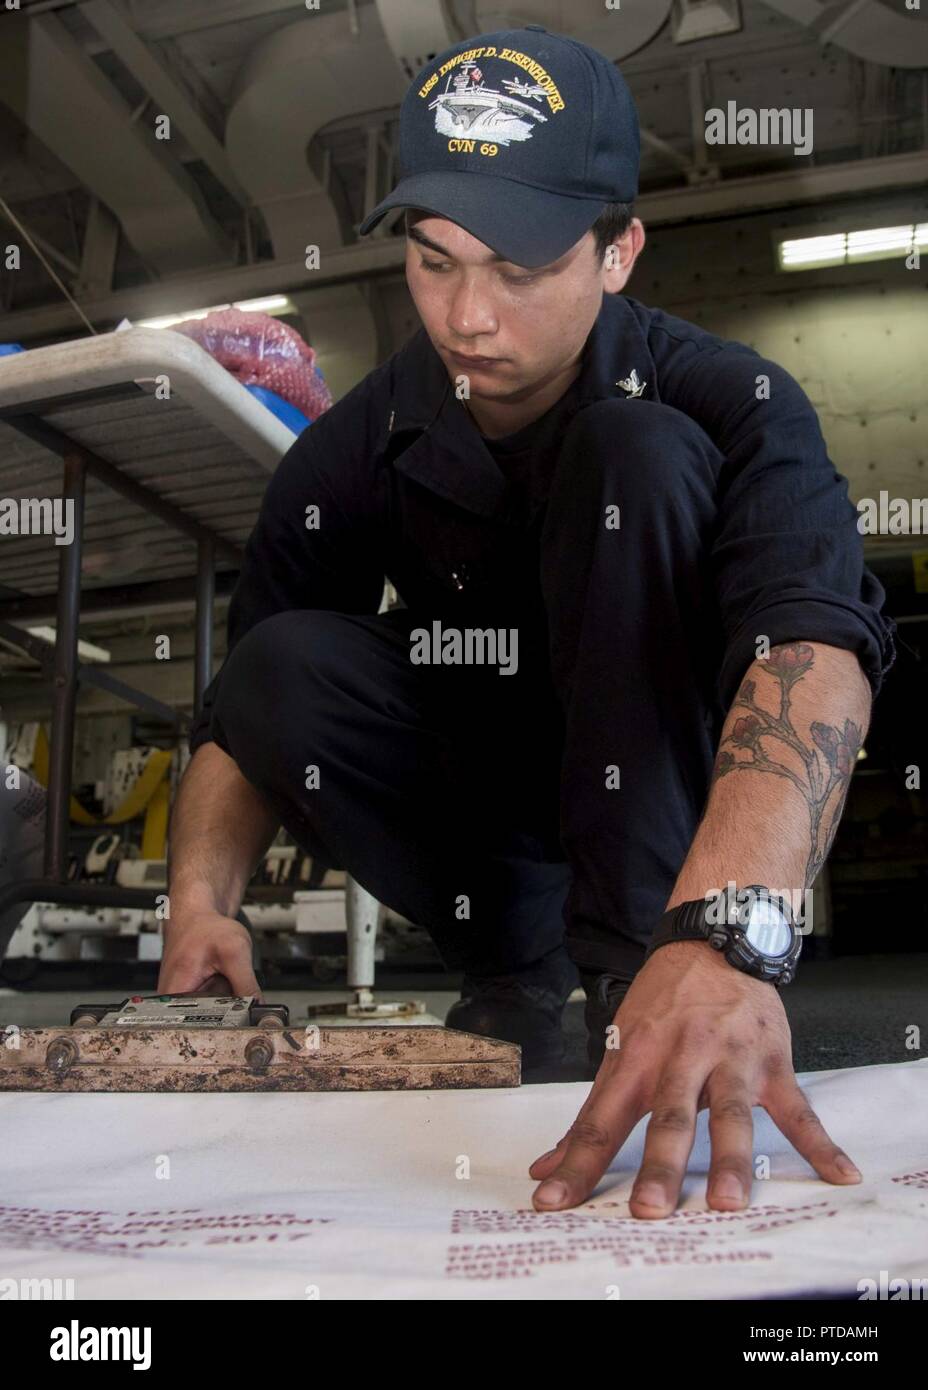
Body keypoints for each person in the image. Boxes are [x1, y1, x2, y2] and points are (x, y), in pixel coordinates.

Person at [162, 25, 897, 1219]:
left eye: (519, 267)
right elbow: (232, 721)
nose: (468, 317)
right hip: (500, 787)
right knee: (273, 668)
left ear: (618, 252)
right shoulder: (352, 446)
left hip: (671, 796)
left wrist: (727, 932)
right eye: (435, 260)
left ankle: (643, 971)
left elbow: (812, 650)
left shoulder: (732, 400)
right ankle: (514, 957)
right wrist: (200, 905)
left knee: (640, 453)